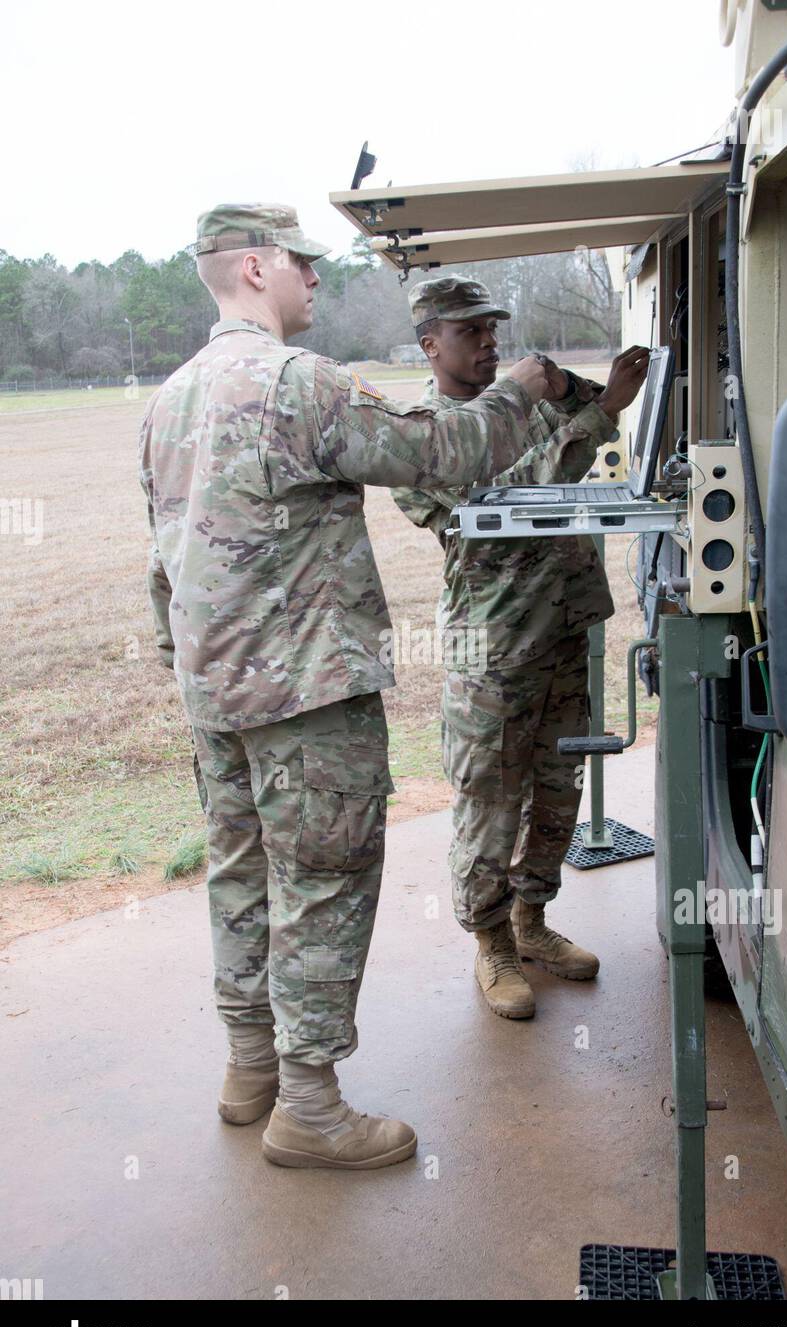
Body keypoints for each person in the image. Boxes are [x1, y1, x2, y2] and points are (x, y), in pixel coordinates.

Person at [139, 205, 554, 1170]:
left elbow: (163, 564)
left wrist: (188, 666)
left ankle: (252, 1070)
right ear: (254, 268)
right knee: (323, 884)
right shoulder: (296, 385)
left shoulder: (171, 398)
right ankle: (311, 1108)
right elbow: (443, 455)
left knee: (242, 878)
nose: (316, 278)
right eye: (303, 263)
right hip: (306, 699)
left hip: (218, 697)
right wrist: (524, 391)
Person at [391, 275, 649, 1019]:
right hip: (495, 644)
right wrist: (596, 413)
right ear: (429, 342)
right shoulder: (423, 431)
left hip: (564, 627)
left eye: (492, 329)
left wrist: (569, 386)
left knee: (558, 790)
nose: (488, 343)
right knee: (491, 799)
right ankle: (491, 941)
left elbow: (600, 403)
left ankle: (532, 921)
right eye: (469, 331)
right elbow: (514, 494)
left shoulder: (522, 401)